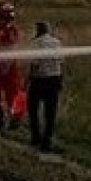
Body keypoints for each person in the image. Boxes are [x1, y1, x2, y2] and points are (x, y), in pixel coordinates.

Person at [27, 21, 64, 152]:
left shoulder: (36, 43)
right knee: (50, 113)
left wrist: (27, 81)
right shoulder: (57, 42)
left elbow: (35, 64)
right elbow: (61, 62)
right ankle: (47, 141)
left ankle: (35, 136)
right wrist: (60, 81)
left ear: (38, 30)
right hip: (54, 78)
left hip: (40, 79)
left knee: (32, 108)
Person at [0, 0, 23, 131]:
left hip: (7, 67)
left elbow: (11, 48)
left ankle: (15, 120)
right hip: (0, 65)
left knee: (11, 93)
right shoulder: (2, 29)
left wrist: (4, 67)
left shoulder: (10, 30)